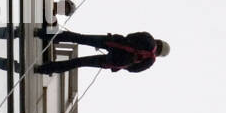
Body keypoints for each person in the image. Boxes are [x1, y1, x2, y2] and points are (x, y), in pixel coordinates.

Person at [36, 30, 170, 75]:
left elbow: (131, 36)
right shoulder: (149, 62)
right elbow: (133, 70)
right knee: (78, 63)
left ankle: (43, 34)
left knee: (79, 38)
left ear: (159, 42)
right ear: (159, 54)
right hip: (112, 61)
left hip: (112, 43)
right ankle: (43, 69)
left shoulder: (149, 39)